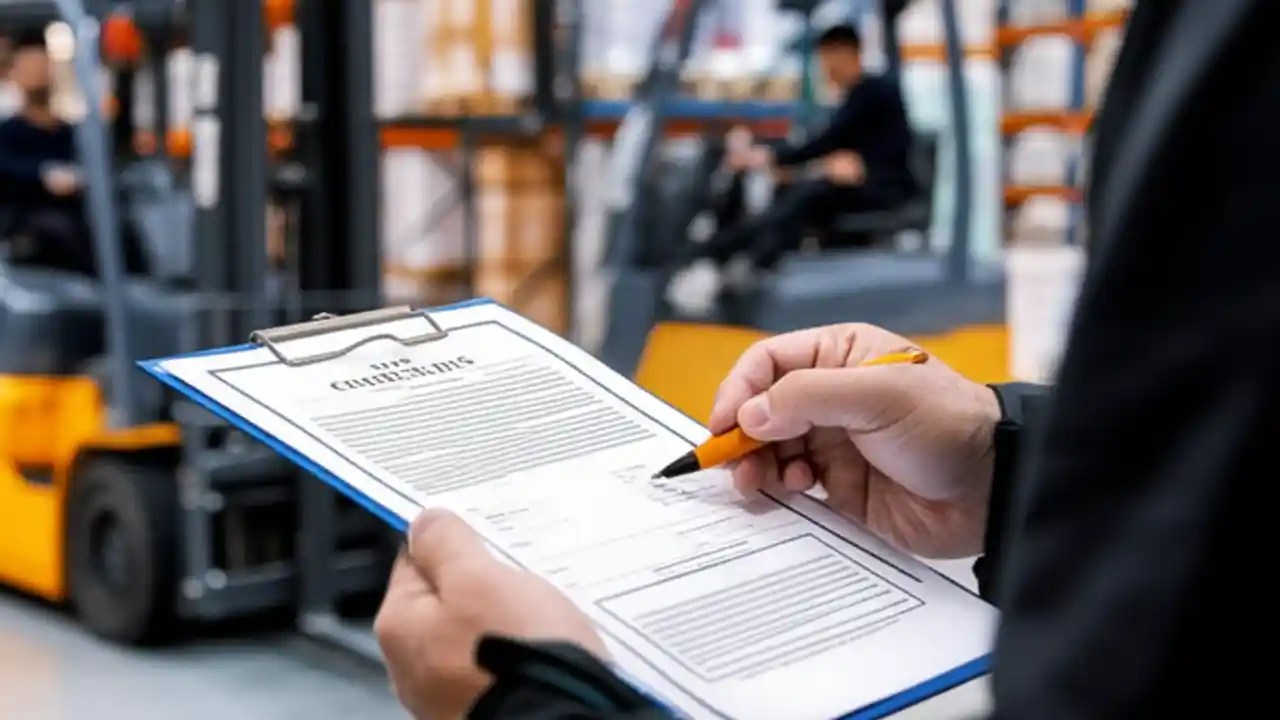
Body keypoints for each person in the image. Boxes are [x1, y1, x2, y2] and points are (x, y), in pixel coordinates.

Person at [375, 1, 1275, 717]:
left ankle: (739, 255)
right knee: (778, 197)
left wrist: (543, 702)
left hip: (879, 196)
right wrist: (1006, 463)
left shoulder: (1231, 54)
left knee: (799, 206)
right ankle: (728, 252)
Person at [666, 22, 918, 310]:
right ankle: (729, 254)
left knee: (807, 196)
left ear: (847, 53)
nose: (826, 71)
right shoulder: (855, 96)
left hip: (881, 185)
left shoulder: (872, 93)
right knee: (790, 191)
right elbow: (831, 148)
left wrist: (771, 158)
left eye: (828, 61)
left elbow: (829, 142)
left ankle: (748, 264)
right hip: (859, 179)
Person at [0, 31, 95, 275]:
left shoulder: (72, 133)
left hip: (78, 218)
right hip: (26, 225)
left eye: (42, 64)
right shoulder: (8, 132)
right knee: (57, 230)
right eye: (28, 65)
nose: (37, 72)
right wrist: (44, 176)